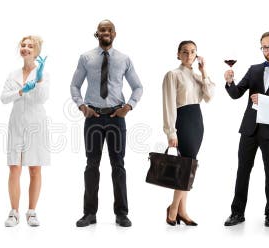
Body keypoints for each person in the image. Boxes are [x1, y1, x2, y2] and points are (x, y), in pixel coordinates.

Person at [70, 19, 143, 227]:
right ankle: (89, 213)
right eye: (102, 29)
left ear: (114, 33)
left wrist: (128, 107)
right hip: (92, 118)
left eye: (109, 29)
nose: (105, 32)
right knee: (91, 165)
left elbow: (137, 87)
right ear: (97, 33)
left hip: (115, 118)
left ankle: (121, 213)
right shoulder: (86, 58)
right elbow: (75, 86)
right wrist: (82, 106)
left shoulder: (124, 59)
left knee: (118, 165)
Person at [223, 32, 269, 227]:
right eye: (264, 47)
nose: (268, 50)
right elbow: (236, 94)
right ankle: (237, 213)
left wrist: (266, 101)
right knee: (242, 171)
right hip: (249, 129)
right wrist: (230, 82)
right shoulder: (254, 70)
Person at [161, 40, 214, 226]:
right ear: (178, 54)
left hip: (197, 121)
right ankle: (174, 208)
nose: (189, 55)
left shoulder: (198, 76)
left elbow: (209, 96)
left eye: (193, 52)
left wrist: (204, 71)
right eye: (185, 52)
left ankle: (182, 210)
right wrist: (171, 132)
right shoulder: (172, 75)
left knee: (189, 166)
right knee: (186, 167)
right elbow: (168, 104)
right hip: (182, 121)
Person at [0, 35, 50, 227]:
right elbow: (4, 98)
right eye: (23, 45)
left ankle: (32, 212)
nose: (26, 48)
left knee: (35, 168)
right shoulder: (13, 74)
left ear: (36, 51)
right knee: (14, 167)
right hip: (16, 124)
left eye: (30, 46)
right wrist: (20, 91)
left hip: (36, 124)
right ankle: (14, 212)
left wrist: (39, 79)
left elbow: (42, 98)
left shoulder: (44, 73)